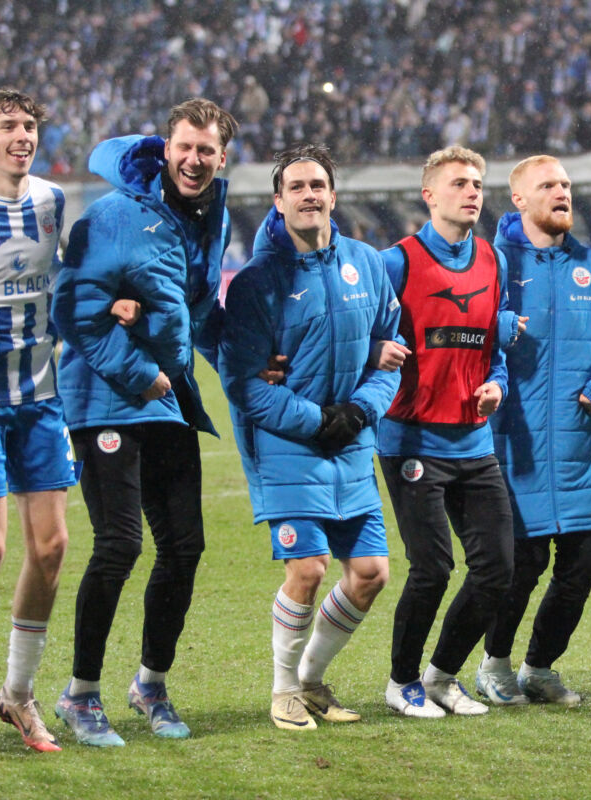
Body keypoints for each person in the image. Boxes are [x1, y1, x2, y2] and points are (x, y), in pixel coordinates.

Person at [50, 98, 238, 745]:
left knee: (185, 547)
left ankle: (150, 684)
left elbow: (198, 313)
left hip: (168, 398)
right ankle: (80, 695)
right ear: (166, 148)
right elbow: (73, 308)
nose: (194, 159)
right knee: (120, 544)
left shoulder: (209, 217)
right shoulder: (112, 214)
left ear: (221, 157)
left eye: (206, 150)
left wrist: (247, 365)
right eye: (185, 146)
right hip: (106, 395)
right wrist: (138, 372)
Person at [220, 144, 402, 730]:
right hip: (288, 445)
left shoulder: (366, 264)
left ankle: (311, 680)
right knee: (309, 570)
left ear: (333, 195)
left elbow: (392, 352)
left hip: (351, 442)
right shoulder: (256, 282)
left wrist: (359, 411)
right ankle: (283, 692)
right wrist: (316, 420)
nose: (308, 195)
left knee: (371, 572)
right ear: (278, 202)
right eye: (296, 187)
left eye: (317, 184)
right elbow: (244, 385)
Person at [474, 155, 591, 707]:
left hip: (576, 443)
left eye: (566, 184)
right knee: (519, 567)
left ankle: (539, 667)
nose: (561, 192)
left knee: (581, 566)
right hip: (511, 443)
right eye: (547, 184)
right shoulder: (493, 265)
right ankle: (494, 664)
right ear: (519, 199)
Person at [378, 145, 520, 718]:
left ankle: (441, 676)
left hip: (474, 441)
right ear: (429, 195)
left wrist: (497, 386)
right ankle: (401, 681)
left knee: (499, 569)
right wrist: (375, 351)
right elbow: (364, 337)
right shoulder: (397, 262)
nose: (471, 192)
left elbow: (493, 349)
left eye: (477, 184)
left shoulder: (493, 260)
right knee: (433, 568)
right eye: (459, 183)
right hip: (413, 442)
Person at [0, 89, 74, 760]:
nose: (22, 135)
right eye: (7, 125)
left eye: (29, 125)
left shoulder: (53, 202)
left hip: (40, 399)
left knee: (52, 546)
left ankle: (18, 693)